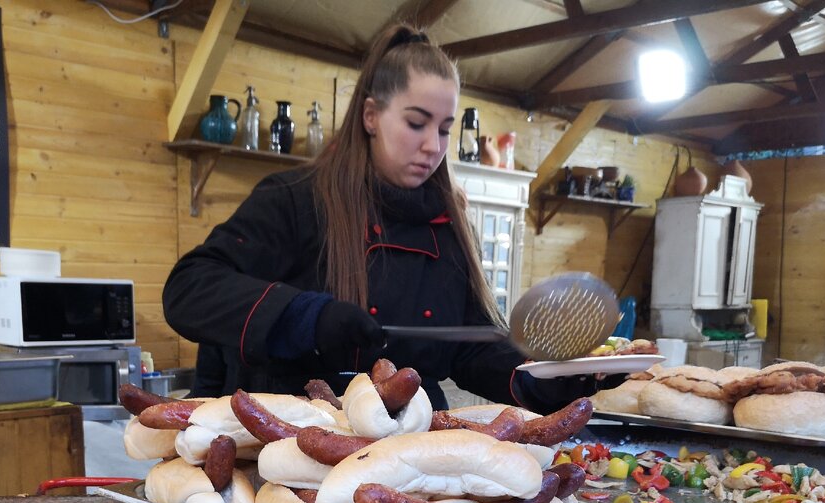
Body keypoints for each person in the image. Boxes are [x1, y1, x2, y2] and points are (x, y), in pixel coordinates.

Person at [164, 22, 619, 411]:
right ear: (370, 116)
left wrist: (547, 381)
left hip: (415, 447)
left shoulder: (449, 224)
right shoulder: (295, 200)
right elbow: (188, 289)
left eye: (444, 128)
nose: (433, 146)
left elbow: (471, 349)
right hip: (296, 443)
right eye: (416, 123)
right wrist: (306, 318)